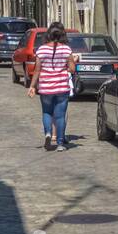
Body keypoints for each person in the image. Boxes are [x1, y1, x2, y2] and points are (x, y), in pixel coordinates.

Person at [28, 22, 77, 152]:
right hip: (62, 87)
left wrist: (32, 86)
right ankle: (60, 143)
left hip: (45, 87)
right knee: (60, 116)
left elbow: (37, 70)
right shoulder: (66, 49)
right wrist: (71, 64)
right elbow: (72, 69)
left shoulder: (41, 49)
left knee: (46, 112)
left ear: (48, 35)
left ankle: (48, 134)